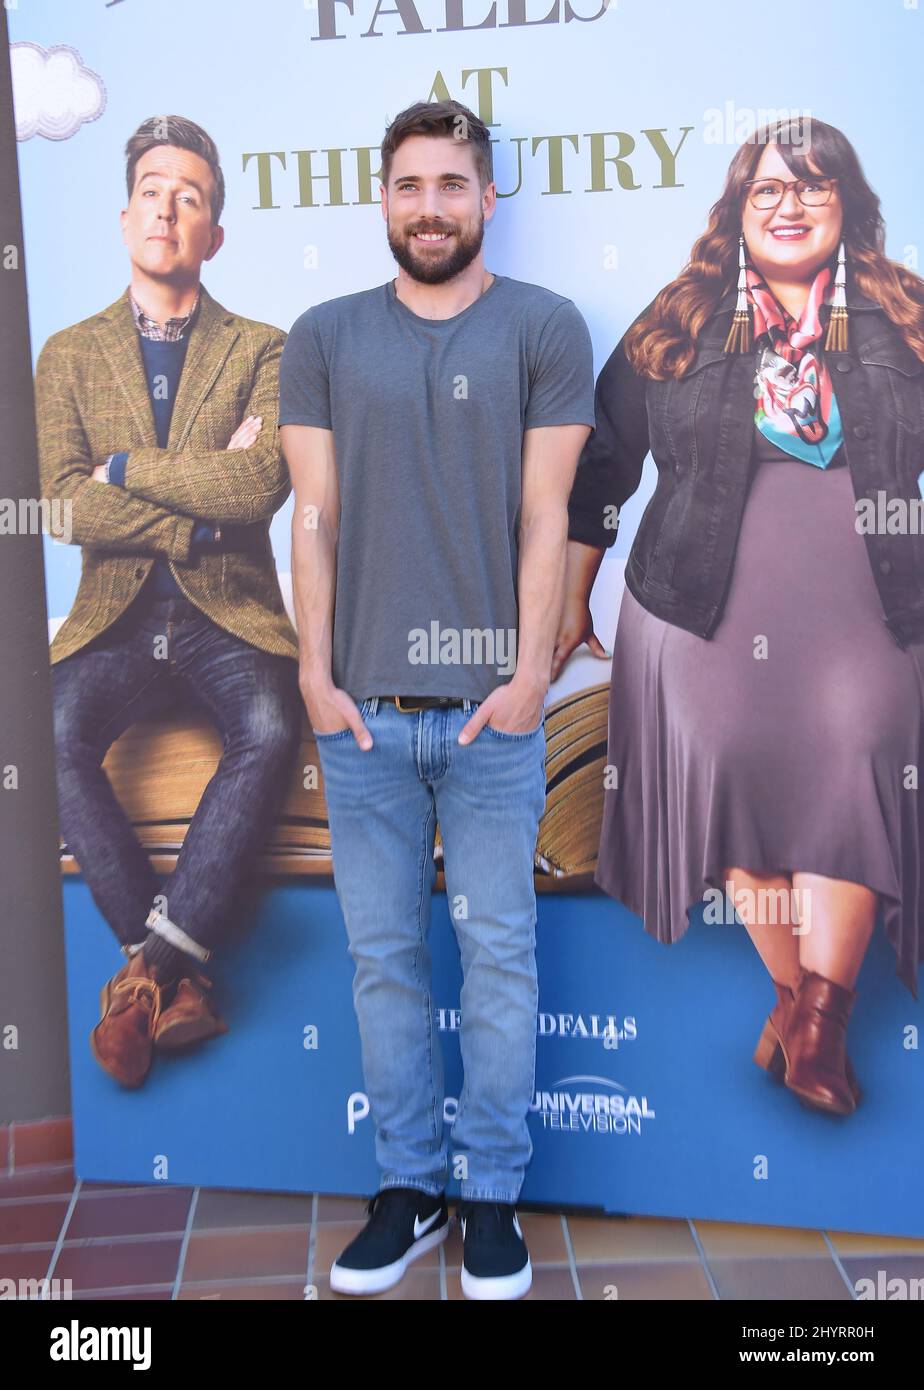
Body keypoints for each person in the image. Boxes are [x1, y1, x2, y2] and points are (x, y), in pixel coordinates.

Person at [280, 99, 594, 1298]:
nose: (429, 207)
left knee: (501, 958)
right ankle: (409, 1189)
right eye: (409, 185)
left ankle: (494, 1199)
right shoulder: (322, 334)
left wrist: (525, 678)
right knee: (384, 960)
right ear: (382, 199)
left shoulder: (543, 328)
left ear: (485, 199)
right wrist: (314, 672)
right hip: (360, 713)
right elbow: (314, 517)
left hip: (489, 721)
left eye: (451, 185)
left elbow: (545, 516)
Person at [556, 117, 924, 1118]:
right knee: (718, 757)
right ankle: (802, 1005)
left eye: (812, 186)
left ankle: (819, 1016)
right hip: (696, 591)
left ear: (846, 204)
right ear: (738, 209)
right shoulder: (679, 315)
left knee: (865, 744)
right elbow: (604, 467)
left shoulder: (907, 312)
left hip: (875, 593)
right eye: (768, 189)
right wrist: (571, 596)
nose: (790, 204)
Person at [36, 116, 302, 1090]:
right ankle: (177, 976)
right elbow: (61, 501)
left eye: (191, 196)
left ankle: (144, 976)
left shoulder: (265, 348)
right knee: (45, 726)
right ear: (123, 218)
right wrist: (185, 514)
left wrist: (122, 469)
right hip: (114, 610)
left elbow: (258, 486)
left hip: (227, 610)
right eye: (153, 189)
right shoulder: (66, 355)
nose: (168, 207)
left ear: (214, 234)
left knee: (272, 723)